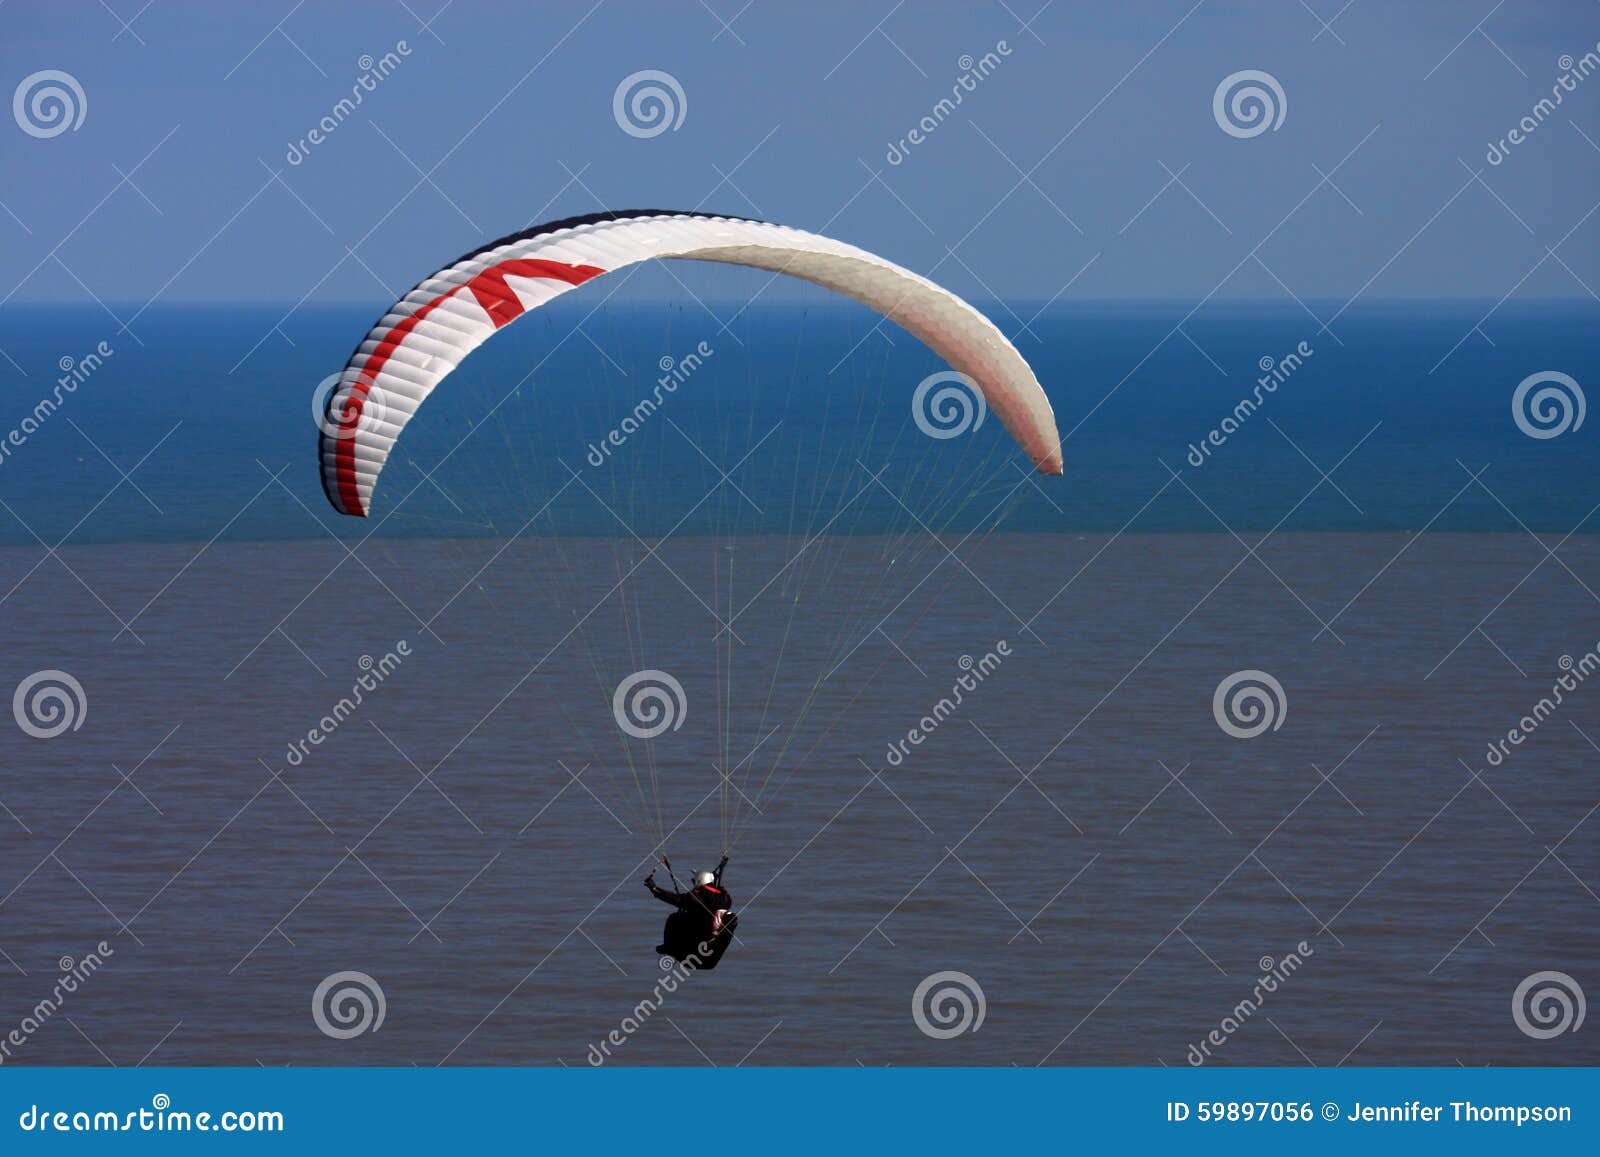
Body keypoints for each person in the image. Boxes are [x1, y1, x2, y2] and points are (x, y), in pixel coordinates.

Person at [645, 855, 736, 966]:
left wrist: (654, 889)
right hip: (712, 949)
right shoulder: (725, 898)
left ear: (699, 881)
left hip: (696, 943)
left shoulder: (697, 897)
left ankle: (668, 948)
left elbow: (675, 899)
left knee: (674, 918)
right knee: (689, 915)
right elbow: (716, 894)